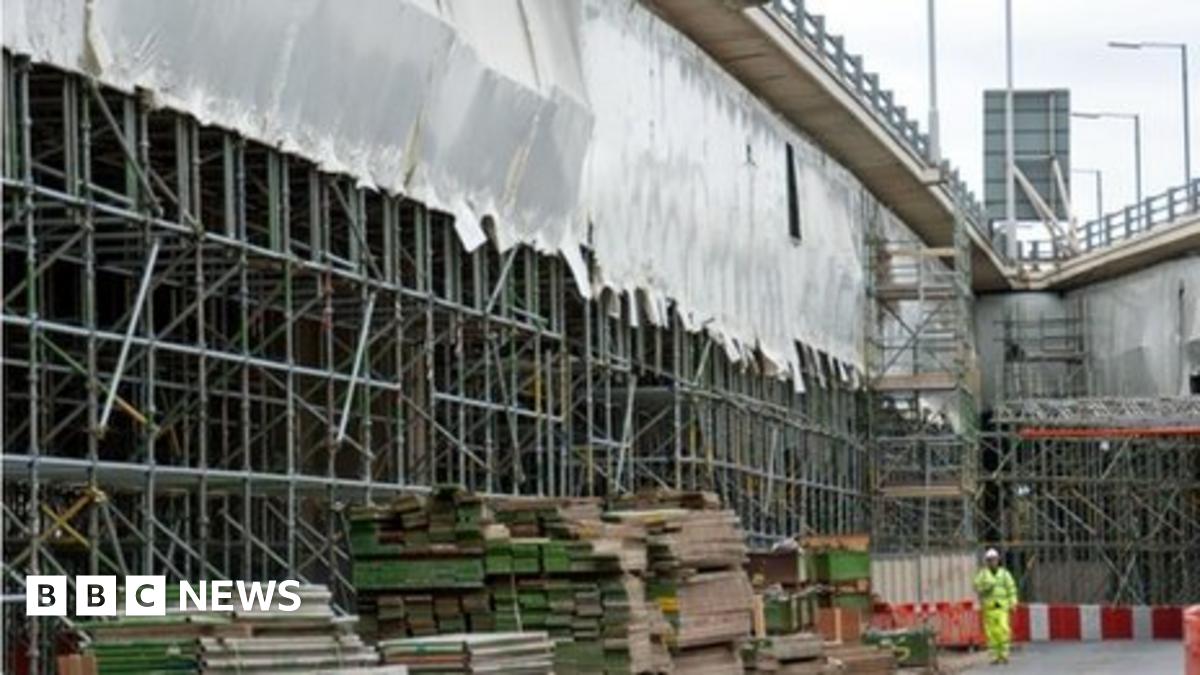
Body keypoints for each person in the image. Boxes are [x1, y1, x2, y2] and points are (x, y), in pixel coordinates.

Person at [974, 548, 1017, 665]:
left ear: (998, 560)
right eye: (990, 560)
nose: (992, 562)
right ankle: (994, 656)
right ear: (986, 561)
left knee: (1004, 629)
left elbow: (1011, 589)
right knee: (991, 633)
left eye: (994, 560)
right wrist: (986, 587)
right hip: (989, 608)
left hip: (1002, 607)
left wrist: (1013, 602)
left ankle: (1004, 655)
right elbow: (977, 587)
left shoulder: (1004, 574)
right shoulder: (982, 575)